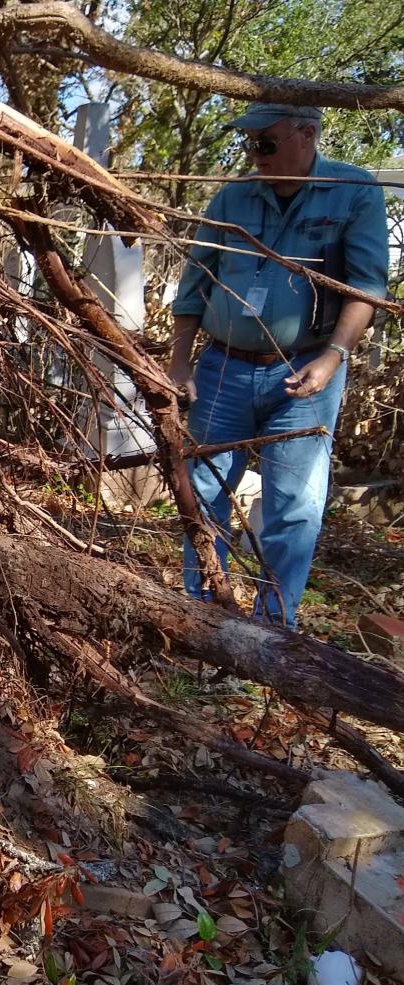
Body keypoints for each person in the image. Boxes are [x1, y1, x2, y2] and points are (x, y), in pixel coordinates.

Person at [168, 102, 388, 629]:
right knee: (204, 493)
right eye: (249, 144)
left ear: (306, 134)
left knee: (294, 506)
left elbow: (366, 286)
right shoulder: (232, 197)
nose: (255, 155)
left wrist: (334, 356)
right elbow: (194, 284)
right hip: (224, 369)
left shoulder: (354, 192)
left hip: (306, 374)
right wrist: (179, 363)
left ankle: (274, 630)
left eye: (265, 142)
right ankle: (203, 618)